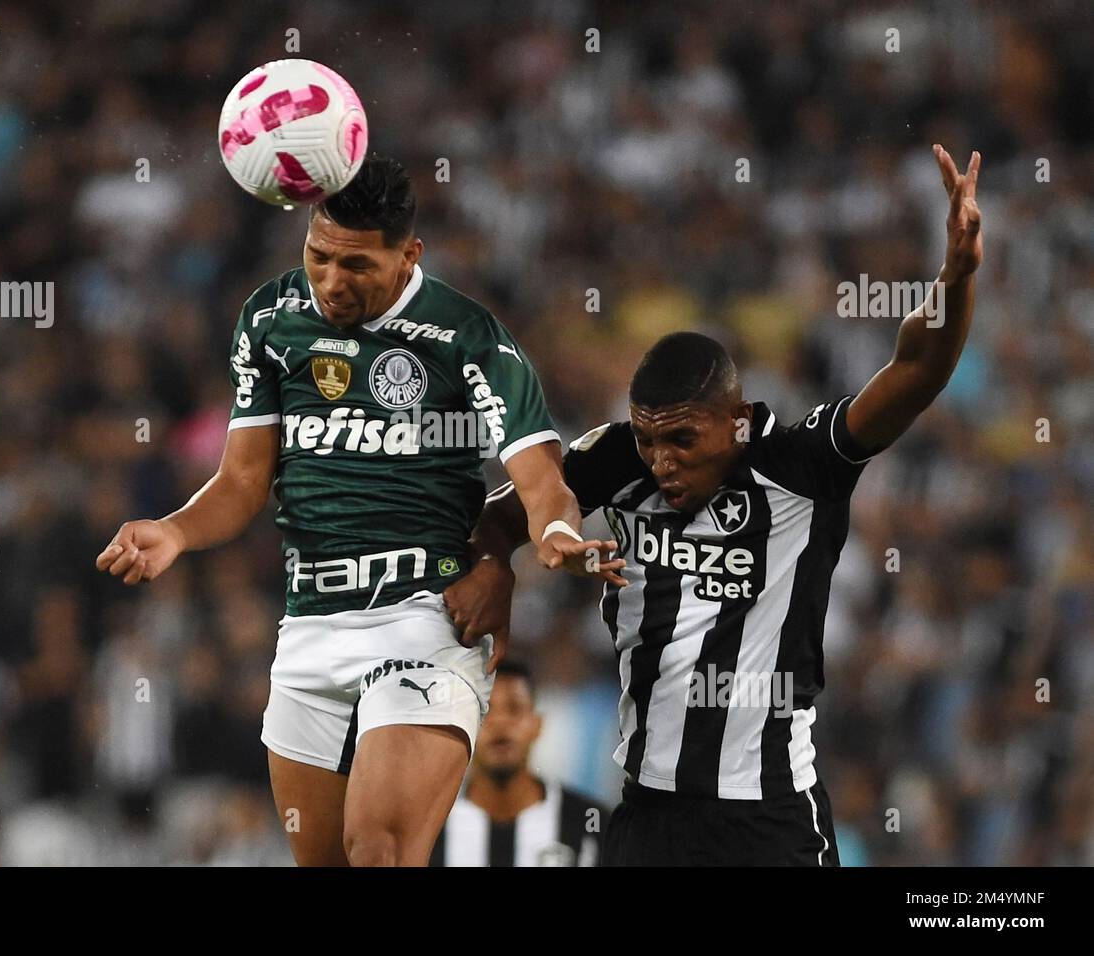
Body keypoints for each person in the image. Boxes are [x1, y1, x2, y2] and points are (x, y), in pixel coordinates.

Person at [468, 146, 983, 865]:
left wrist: (955, 281)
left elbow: (916, 368)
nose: (661, 460)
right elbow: (502, 507)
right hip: (649, 817)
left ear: (737, 417)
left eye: (682, 438)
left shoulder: (801, 466)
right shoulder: (618, 459)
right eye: (648, 440)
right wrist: (499, 565)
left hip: (771, 819)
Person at [95, 155, 613, 866]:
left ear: (410, 255)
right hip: (309, 626)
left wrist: (554, 530)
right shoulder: (271, 319)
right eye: (319, 257)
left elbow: (538, 473)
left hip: (423, 621)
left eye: (358, 266)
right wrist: (176, 531)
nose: (333, 283)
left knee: (378, 852)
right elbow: (245, 480)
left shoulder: (467, 336)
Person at [430, 661, 607, 866]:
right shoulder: (430, 825)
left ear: (537, 725)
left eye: (514, 709)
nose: (500, 722)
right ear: (465, 725)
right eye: (484, 712)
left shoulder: (590, 822)